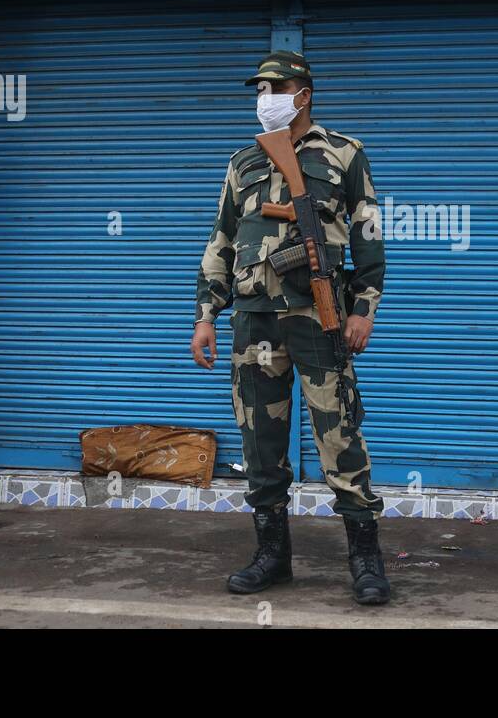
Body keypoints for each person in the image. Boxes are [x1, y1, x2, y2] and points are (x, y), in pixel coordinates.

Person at [191, 50, 390, 605]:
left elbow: (368, 234)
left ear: (305, 92)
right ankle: (272, 555)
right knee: (260, 442)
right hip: (253, 321)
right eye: (260, 90)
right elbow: (221, 243)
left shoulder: (344, 154)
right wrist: (206, 315)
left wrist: (363, 308)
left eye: (276, 88)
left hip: (317, 316)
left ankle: (365, 557)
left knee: (339, 435)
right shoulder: (243, 162)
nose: (266, 99)